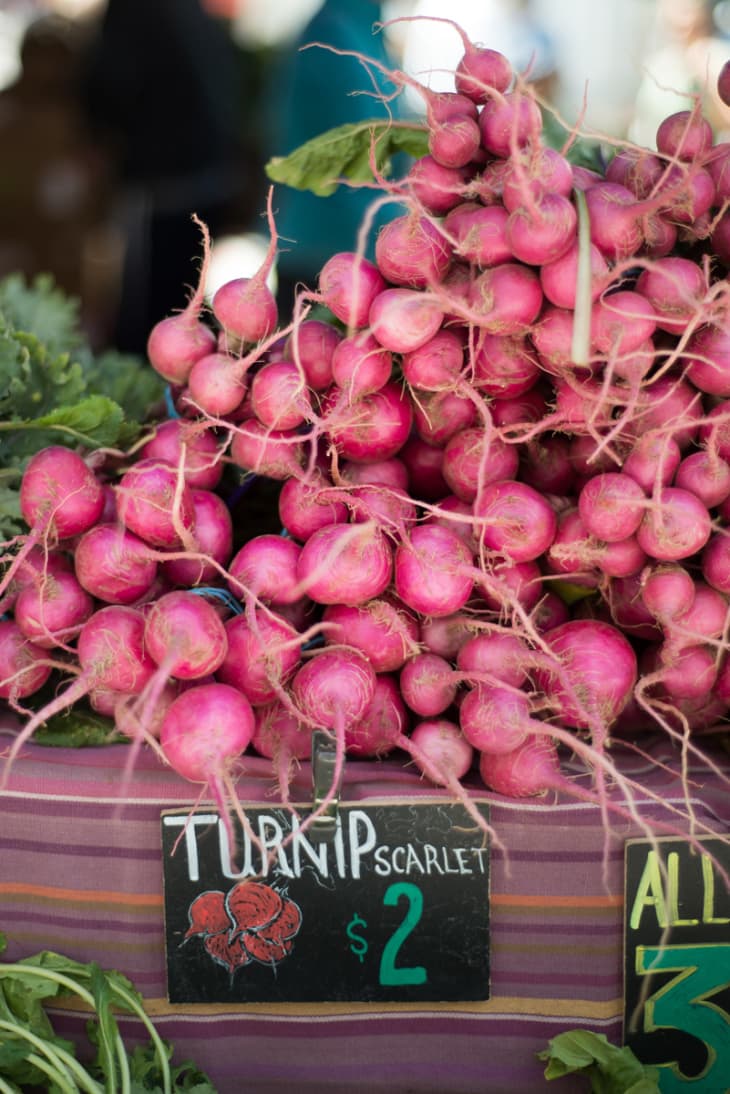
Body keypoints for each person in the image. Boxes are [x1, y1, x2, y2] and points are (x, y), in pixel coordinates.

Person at [80, 0, 245, 354]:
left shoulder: (136, 9)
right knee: (185, 305)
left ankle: (149, 398)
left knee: (152, 317)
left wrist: (97, 135)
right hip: (203, 177)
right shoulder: (191, 11)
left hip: (162, 182)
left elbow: (111, 85)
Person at [263, 0, 408, 319]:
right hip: (325, 253)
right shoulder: (331, 33)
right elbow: (371, 144)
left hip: (360, 251)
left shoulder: (367, 28)